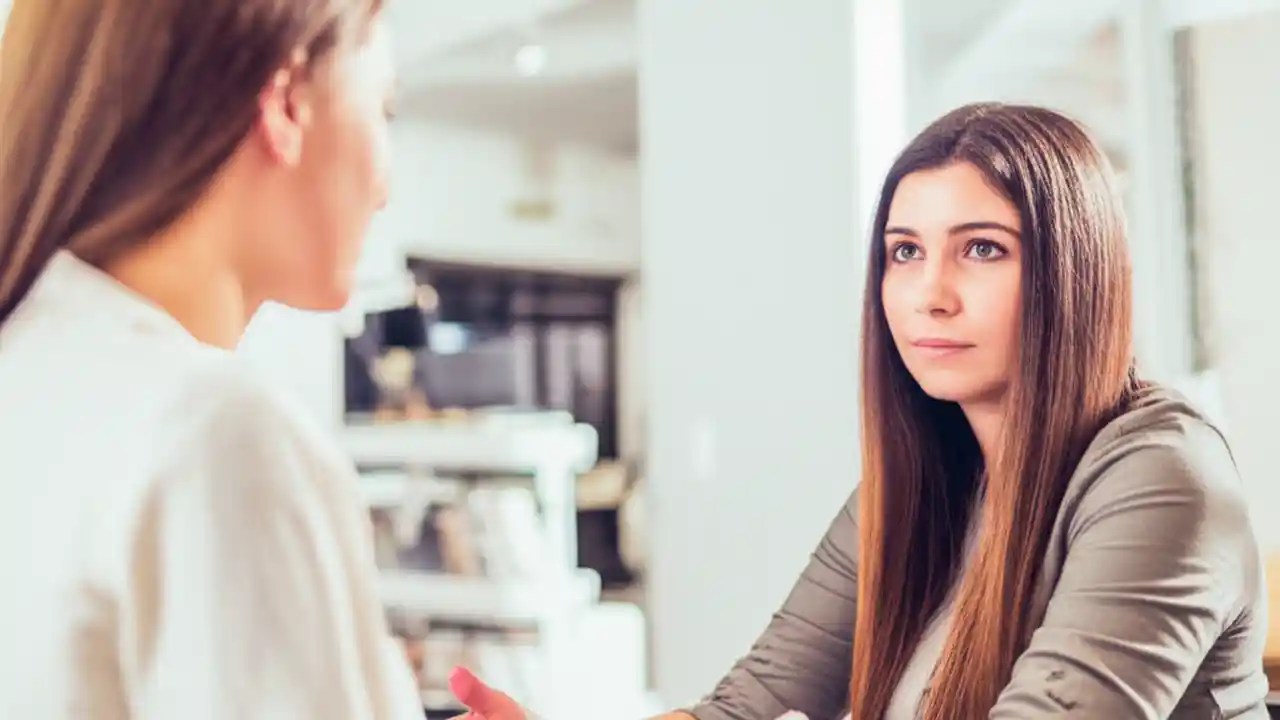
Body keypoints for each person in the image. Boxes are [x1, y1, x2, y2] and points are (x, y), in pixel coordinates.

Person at [448, 104, 1268, 719]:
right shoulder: (928, 478)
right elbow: (746, 709)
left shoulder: (1161, 478)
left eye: (982, 248)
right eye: (905, 252)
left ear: (1076, 273)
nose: (928, 295)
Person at [0, 1, 422, 718]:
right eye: (381, 109)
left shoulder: (35, 374)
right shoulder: (215, 434)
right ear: (287, 102)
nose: (385, 187)